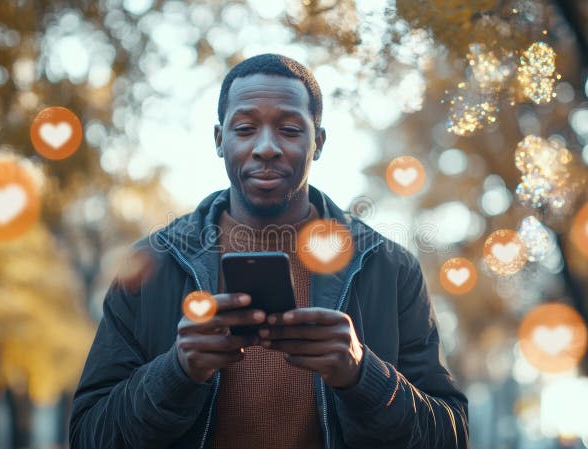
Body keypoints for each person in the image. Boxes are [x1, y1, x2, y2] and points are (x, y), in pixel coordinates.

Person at [69, 53, 469, 449]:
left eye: (290, 130)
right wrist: (177, 370)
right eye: (244, 128)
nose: (266, 147)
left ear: (319, 143)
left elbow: (451, 436)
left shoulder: (389, 268)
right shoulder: (151, 265)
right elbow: (88, 436)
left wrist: (362, 373)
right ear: (219, 140)